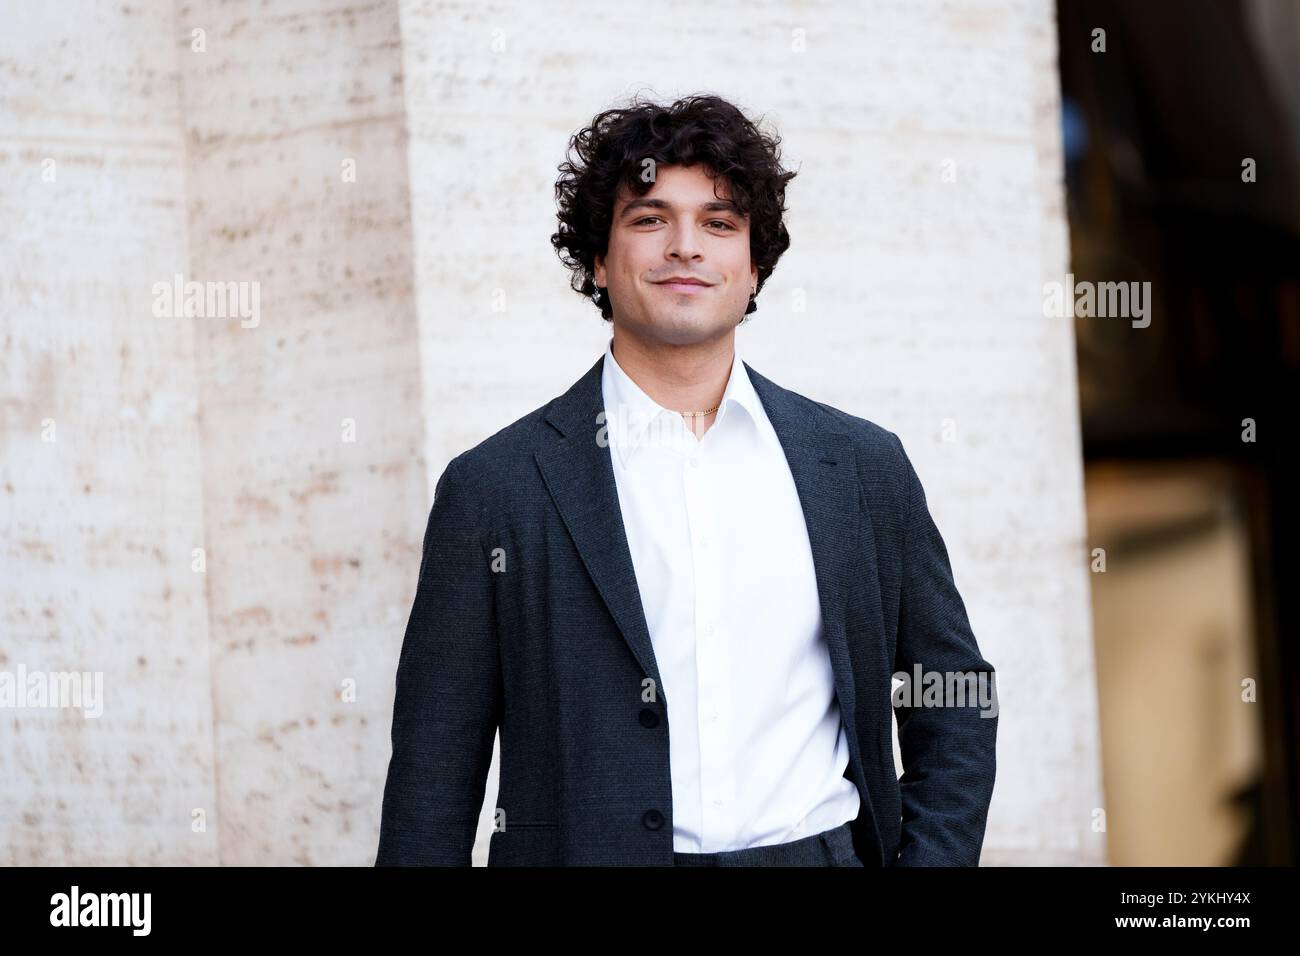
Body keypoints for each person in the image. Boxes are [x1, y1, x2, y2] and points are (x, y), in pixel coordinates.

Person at [376, 93, 997, 867]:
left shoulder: (862, 469)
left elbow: (956, 694)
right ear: (598, 260)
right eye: (648, 218)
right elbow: (433, 774)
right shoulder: (495, 489)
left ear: (754, 265)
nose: (685, 247)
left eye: (719, 222)